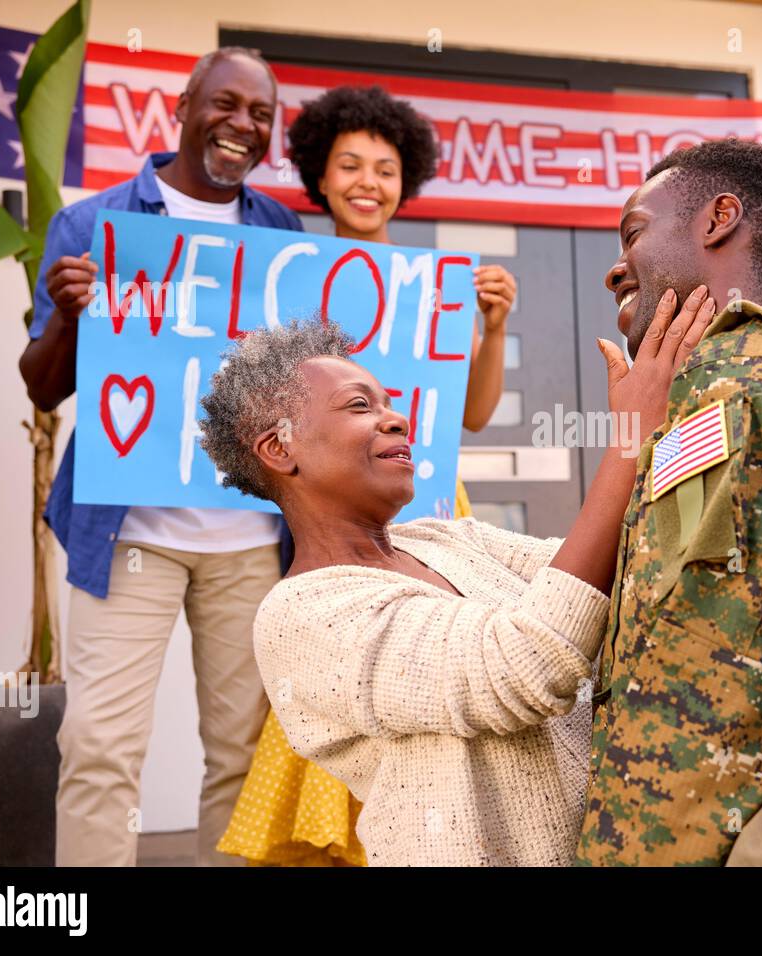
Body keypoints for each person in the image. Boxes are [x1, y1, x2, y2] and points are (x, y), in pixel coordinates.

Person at [197, 291, 716, 865]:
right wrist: (627, 441)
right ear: (279, 448)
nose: (395, 417)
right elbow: (521, 669)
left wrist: (674, 427)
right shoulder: (299, 616)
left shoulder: (446, 539)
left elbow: (628, 570)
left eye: (388, 403)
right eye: (358, 406)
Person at [215, 84, 517, 866]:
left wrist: (494, 327)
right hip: (336, 516)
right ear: (319, 175)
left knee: (427, 676)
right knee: (343, 679)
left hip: (430, 506)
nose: (367, 183)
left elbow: (473, 416)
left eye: (384, 169)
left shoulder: (443, 287)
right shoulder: (281, 288)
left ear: (405, 182)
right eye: (349, 165)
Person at [17, 47, 301, 867]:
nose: (243, 124)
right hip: (128, 532)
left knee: (241, 755)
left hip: (249, 538)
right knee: (100, 746)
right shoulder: (94, 224)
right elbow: (41, 390)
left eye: (260, 113)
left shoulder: (280, 232)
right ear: (183, 105)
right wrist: (70, 318)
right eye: (227, 103)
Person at [575, 137, 762, 866]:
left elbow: (706, 678)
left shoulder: (730, 394)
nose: (616, 267)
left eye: (634, 232)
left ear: (718, 220)